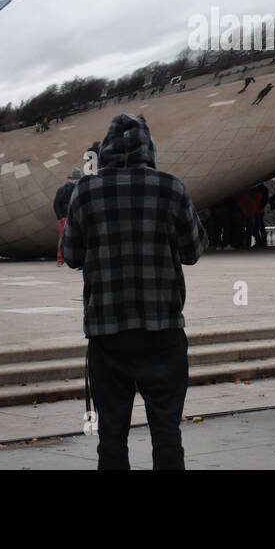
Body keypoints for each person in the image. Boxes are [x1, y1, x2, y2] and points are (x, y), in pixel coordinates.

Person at [61, 114, 207, 470]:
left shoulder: (85, 192)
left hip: (108, 332)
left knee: (111, 433)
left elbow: (72, 256)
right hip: (162, 329)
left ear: (106, 151)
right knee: (167, 429)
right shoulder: (171, 188)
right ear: (149, 149)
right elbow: (193, 251)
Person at [53, 167, 83, 266]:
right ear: (69, 179)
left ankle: (80, 259)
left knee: (80, 237)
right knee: (62, 238)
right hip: (65, 217)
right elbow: (56, 204)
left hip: (77, 216)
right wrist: (60, 217)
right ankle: (60, 259)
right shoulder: (62, 190)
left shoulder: (80, 187)